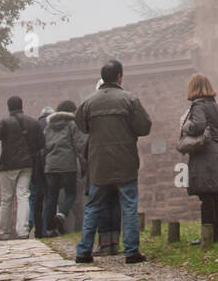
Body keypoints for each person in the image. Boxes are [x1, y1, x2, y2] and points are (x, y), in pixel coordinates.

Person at [74, 59, 150, 265]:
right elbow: (144, 127)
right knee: (129, 205)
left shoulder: (89, 102)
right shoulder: (129, 100)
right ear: (119, 77)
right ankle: (131, 251)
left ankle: (83, 251)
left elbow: (81, 125)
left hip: (99, 162)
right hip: (125, 160)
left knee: (93, 206)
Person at [0, 97, 44, 239]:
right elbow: (41, 143)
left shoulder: (5, 122)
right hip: (27, 164)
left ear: (9, 107)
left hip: (8, 165)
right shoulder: (34, 122)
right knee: (23, 195)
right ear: (21, 106)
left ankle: (3, 231)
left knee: (7, 198)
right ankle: (23, 230)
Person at [178, 74, 218, 244]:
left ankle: (208, 236)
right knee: (213, 196)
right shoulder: (214, 105)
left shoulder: (198, 105)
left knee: (205, 196)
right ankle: (216, 234)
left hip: (204, 153)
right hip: (216, 151)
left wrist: (185, 125)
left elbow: (197, 125)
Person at [43, 101, 85, 236]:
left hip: (51, 165)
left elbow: (44, 145)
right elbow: (79, 145)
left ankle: (49, 229)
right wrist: (83, 158)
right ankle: (62, 214)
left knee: (51, 196)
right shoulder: (72, 125)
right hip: (68, 164)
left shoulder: (48, 127)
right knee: (71, 193)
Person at [26, 106, 53, 238]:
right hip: (49, 166)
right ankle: (46, 228)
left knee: (34, 199)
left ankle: (33, 226)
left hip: (35, 167)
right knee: (48, 198)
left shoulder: (34, 126)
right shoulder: (52, 125)